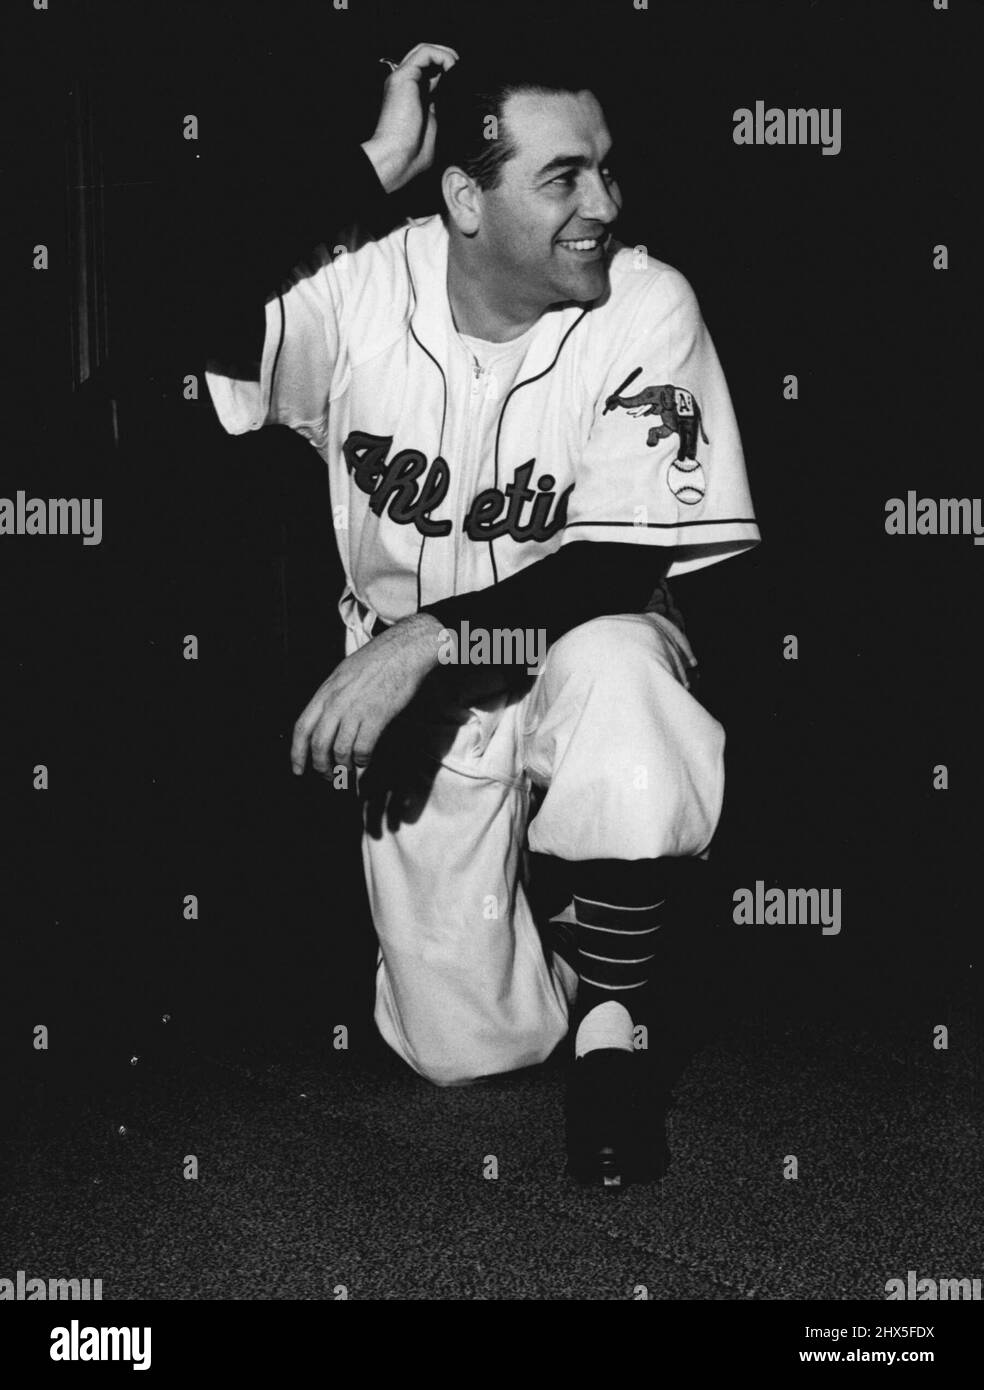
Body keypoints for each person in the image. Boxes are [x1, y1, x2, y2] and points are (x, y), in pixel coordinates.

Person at [203, 41, 760, 1187]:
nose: (602, 203)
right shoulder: (359, 289)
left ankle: (616, 1022)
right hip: (419, 704)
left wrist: (428, 639)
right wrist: (373, 162)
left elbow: (616, 558)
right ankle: (571, 932)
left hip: (568, 646)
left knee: (626, 685)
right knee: (463, 1049)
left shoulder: (647, 303)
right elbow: (191, 303)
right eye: (564, 178)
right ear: (465, 197)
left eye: (605, 171)